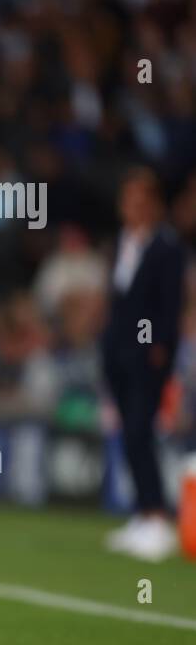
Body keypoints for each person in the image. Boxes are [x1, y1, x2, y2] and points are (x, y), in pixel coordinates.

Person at [101, 167, 187, 561]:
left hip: (147, 353)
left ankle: (157, 517)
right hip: (117, 351)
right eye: (127, 199)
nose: (131, 207)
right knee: (127, 433)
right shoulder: (120, 243)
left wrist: (156, 347)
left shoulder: (167, 247)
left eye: (139, 200)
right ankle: (141, 513)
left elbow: (168, 306)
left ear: (154, 205)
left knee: (139, 431)